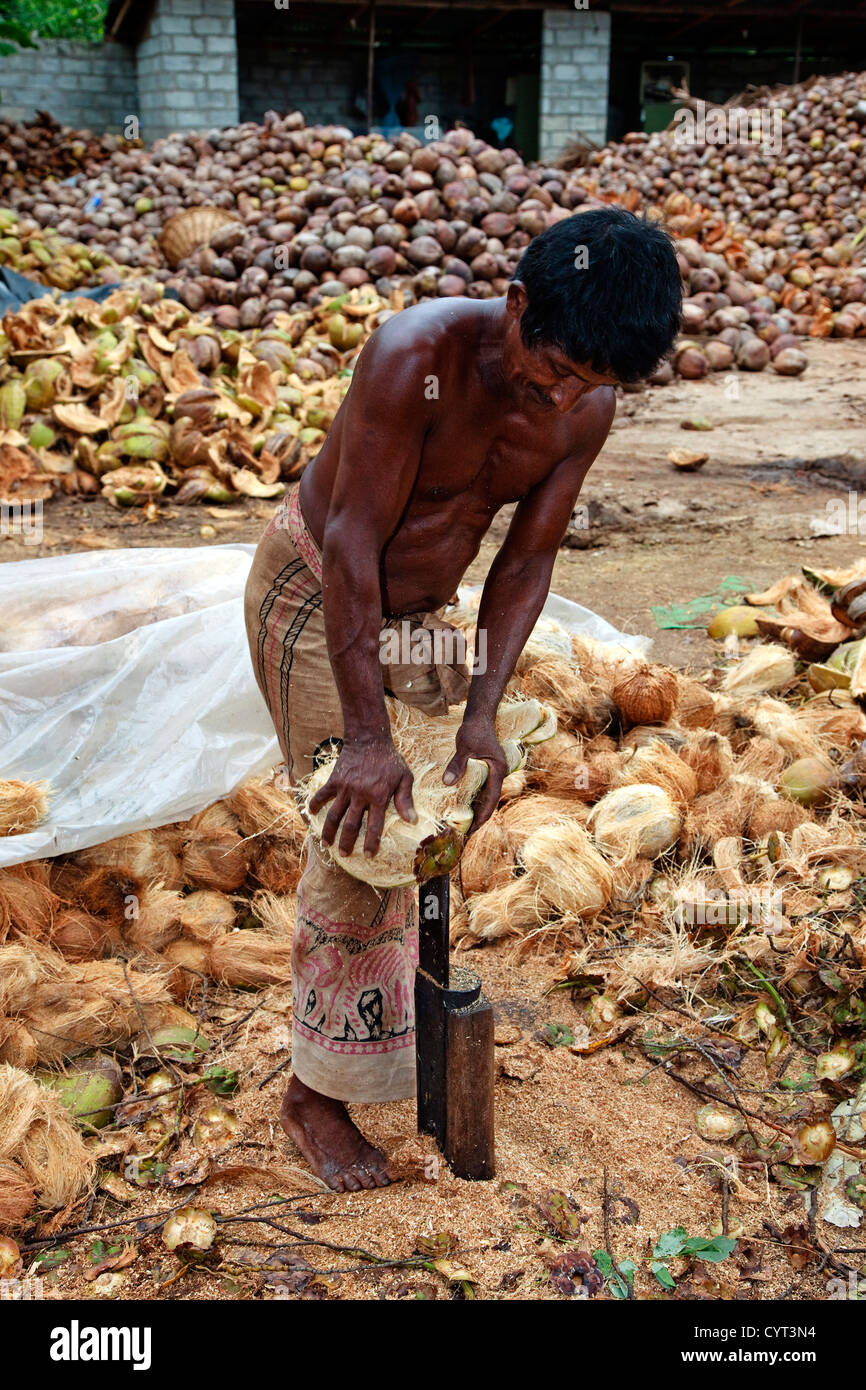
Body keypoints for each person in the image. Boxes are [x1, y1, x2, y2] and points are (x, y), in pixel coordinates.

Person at [244, 206, 682, 1191]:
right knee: (358, 829)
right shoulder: (414, 358)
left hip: (415, 610)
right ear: (516, 304)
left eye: (589, 385)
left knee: (432, 820)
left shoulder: (585, 407)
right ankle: (313, 1098)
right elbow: (353, 541)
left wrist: (481, 714)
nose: (560, 395)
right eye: (555, 366)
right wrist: (364, 735)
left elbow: (527, 559)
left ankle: (393, 1031)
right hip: (317, 588)